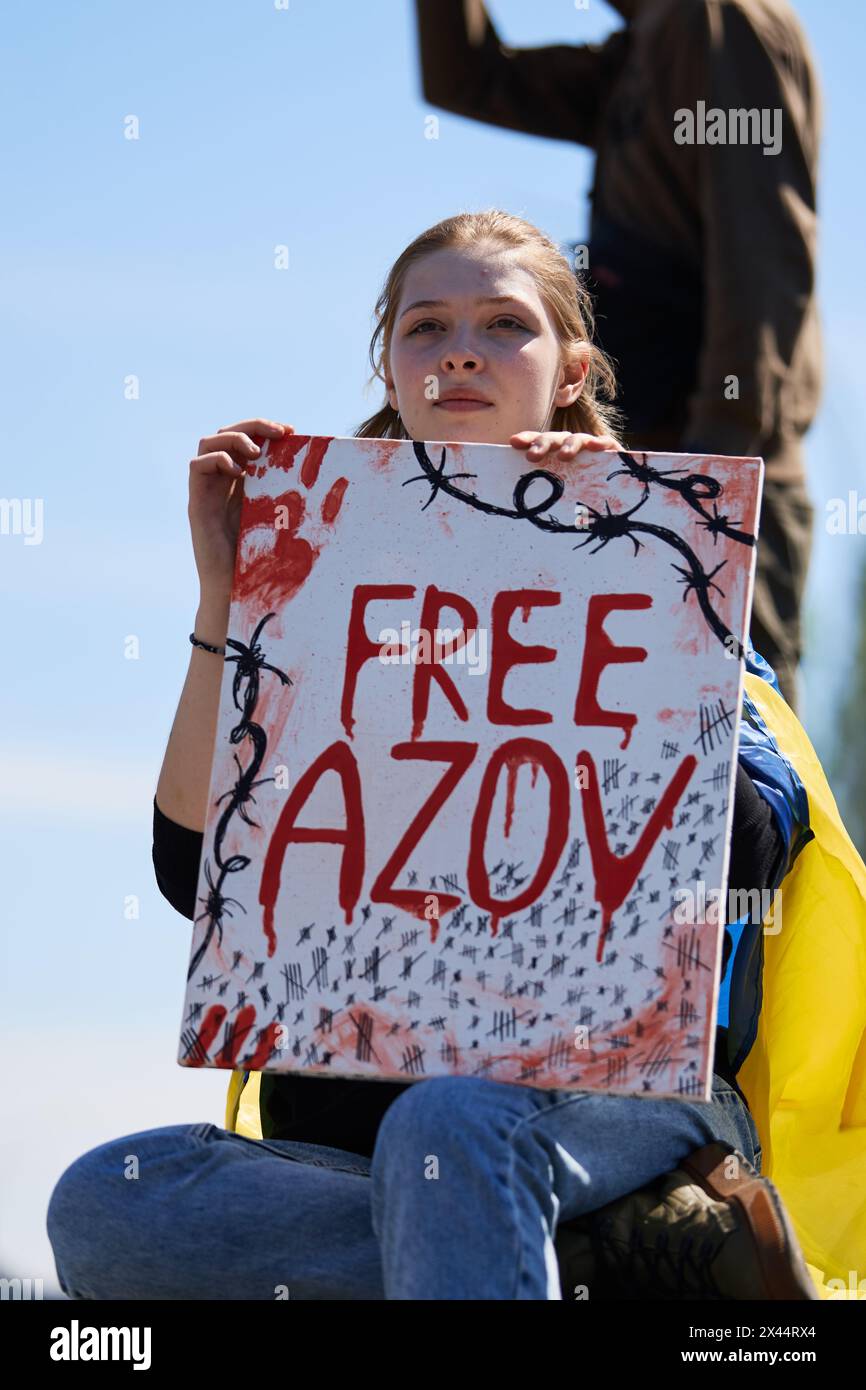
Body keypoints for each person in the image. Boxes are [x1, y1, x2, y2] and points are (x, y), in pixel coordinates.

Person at [46, 210, 857, 1301]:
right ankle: (574, 1258)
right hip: (339, 1130)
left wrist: (612, 563)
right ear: (388, 360)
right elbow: (193, 871)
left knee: (452, 1125)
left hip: (611, 1098)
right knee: (110, 1198)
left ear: (572, 369)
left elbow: (745, 854)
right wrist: (227, 596)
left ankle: (504, 1220)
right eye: (425, 326)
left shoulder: (660, 552)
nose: (459, 349)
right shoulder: (319, 579)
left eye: (501, 324)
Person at [414, 0, 821, 714]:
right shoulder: (635, 53)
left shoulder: (716, 21)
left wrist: (701, 491)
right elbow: (467, 79)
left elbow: (760, 260)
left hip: (709, 479)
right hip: (639, 482)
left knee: (722, 767)